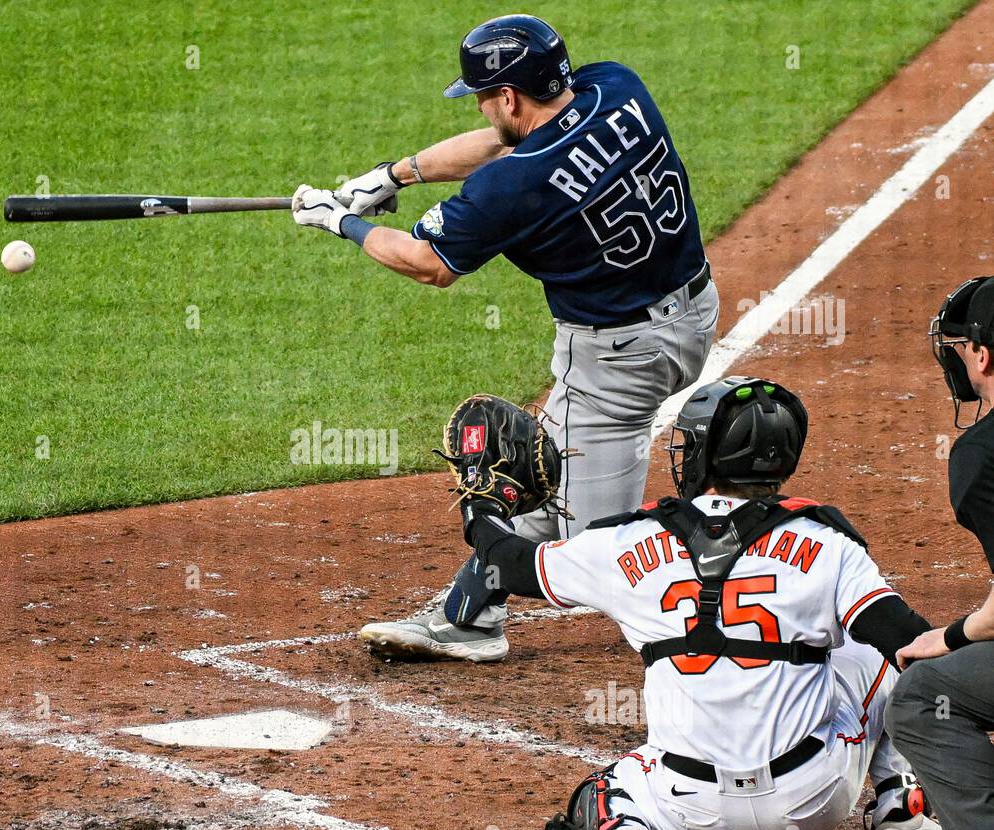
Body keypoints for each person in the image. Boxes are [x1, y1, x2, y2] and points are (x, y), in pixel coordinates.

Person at [291, 13, 717, 662]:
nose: (486, 111)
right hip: (695, 314)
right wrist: (392, 176)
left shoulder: (514, 189)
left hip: (620, 362)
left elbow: (428, 263)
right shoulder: (617, 89)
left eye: (487, 99)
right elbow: (499, 143)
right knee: (546, 468)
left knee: (588, 547)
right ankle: (467, 612)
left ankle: (736, 596)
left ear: (509, 97)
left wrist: (339, 221)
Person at [447, 378, 953, 830]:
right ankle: (904, 815)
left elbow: (511, 564)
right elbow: (914, 646)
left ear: (706, 455)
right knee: (877, 651)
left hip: (688, 809)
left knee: (617, 779)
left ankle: (631, 826)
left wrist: (482, 505)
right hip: (812, 800)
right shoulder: (830, 544)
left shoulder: (626, 541)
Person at [886, 277, 994, 830]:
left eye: (958, 348)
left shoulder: (983, 457)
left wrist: (952, 636)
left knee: (923, 696)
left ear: (981, 355)